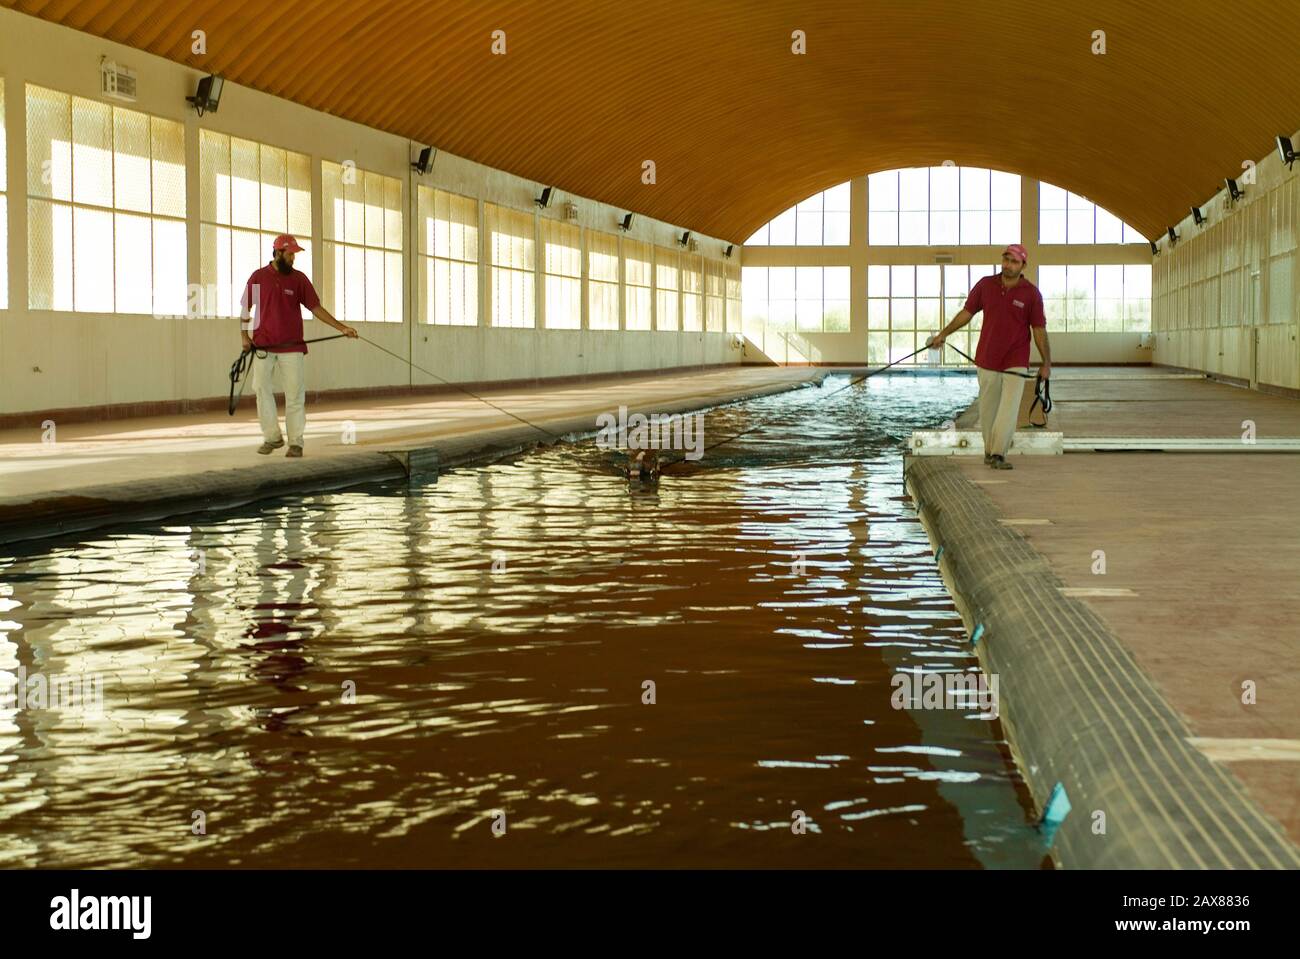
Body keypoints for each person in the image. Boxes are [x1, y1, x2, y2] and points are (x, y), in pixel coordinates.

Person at [926, 244, 1051, 470]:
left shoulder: (1031, 293)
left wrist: (1046, 363)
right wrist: (943, 334)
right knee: (988, 410)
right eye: (1006, 260)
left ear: (1023, 265)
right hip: (987, 358)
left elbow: (1039, 330)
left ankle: (997, 454)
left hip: (1016, 360)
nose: (1008, 265)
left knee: (1008, 408)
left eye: (1014, 261)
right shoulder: (986, 285)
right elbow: (966, 313)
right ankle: (988, 452)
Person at [239, 234, 358, 458]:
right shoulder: (258, 277)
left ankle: (296, 443)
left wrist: (341, 328)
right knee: (260, 389)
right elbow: (246, 307)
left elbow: (316, 308)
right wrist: (244, 336)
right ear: (278, 252)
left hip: (292, 347)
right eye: (290, 253)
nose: (294, 258)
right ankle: (272, 437)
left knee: (294, 395)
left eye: (294, 254)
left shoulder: (299, 279)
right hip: (263, 345)